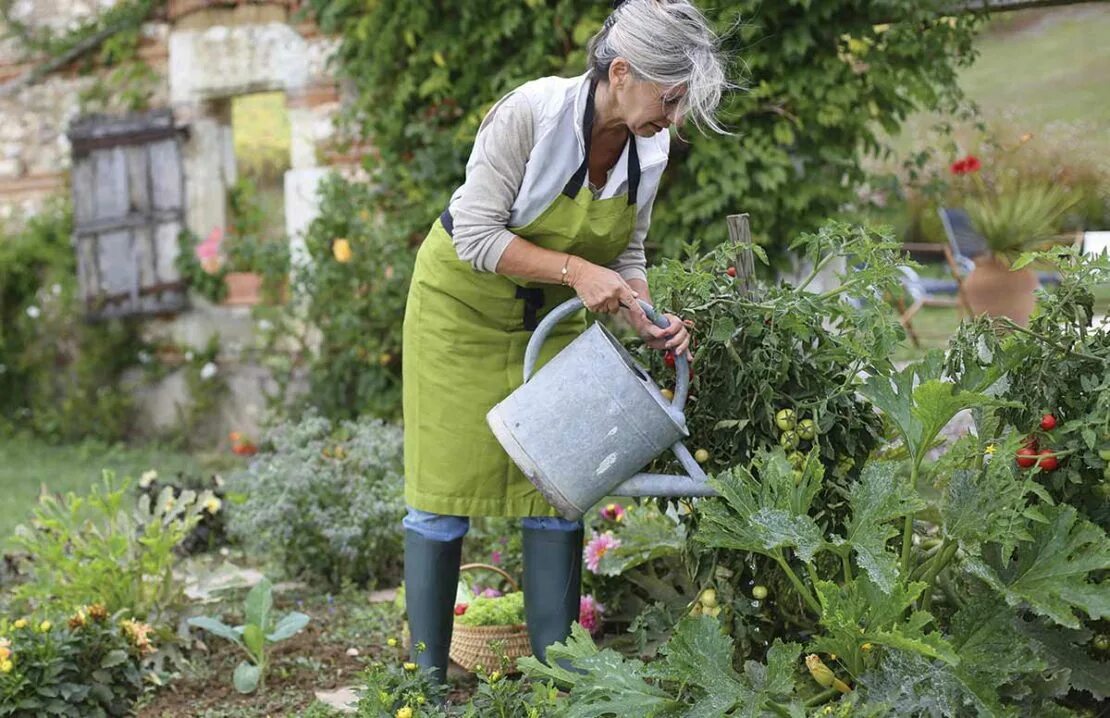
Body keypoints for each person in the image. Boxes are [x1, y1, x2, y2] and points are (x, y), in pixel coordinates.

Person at [401, 0, 729, 683]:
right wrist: (579, 272)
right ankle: (424, 685)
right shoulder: (529, 116)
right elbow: (476, 235)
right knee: (439, 493)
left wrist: (644, 315)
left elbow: (627, 250)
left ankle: (557, 682)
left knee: (561, 485)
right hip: (458, 314)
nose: (672, 117)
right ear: (621, 71)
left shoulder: (652, 145)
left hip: (552, 322)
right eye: (669, 98)